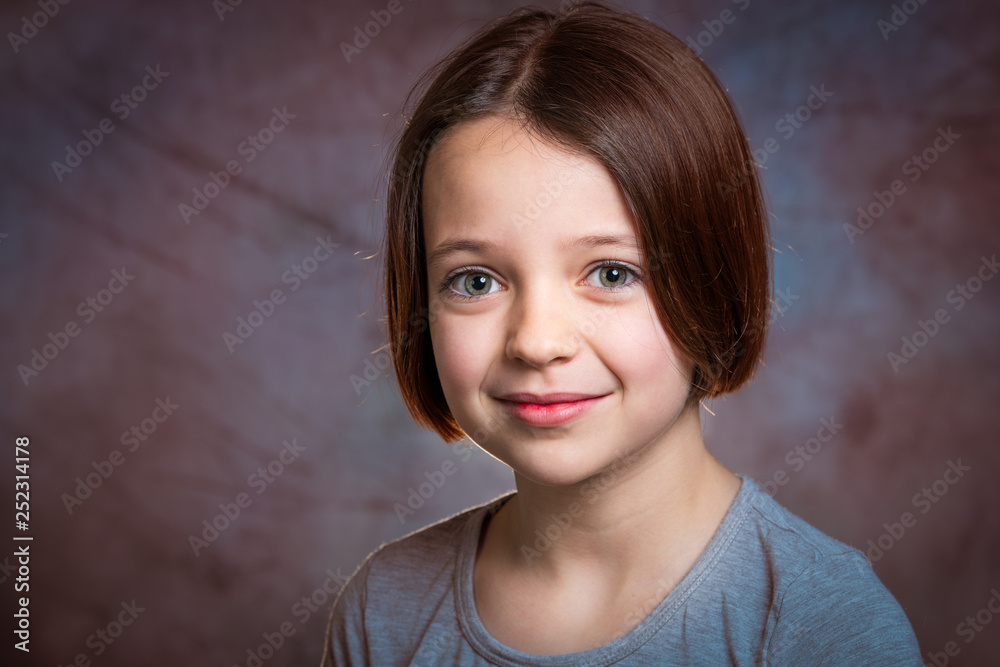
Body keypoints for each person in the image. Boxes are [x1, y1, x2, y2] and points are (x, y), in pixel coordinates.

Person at [324, 1, 922, 664]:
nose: (537, 341)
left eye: (610, 272)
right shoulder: (383, 614)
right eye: (476, 281)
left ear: (710, 279)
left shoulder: (823, 627)